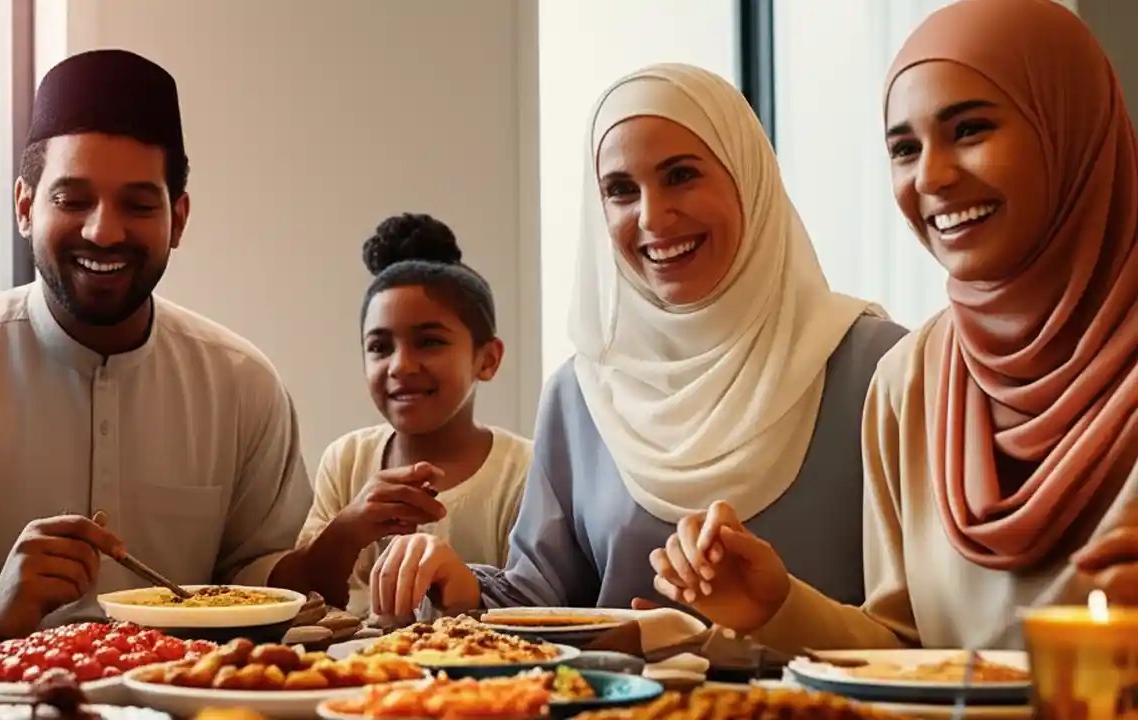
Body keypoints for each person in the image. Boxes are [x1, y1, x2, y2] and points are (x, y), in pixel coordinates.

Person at [651, 0, 1138, 651]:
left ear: (1069, 128)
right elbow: (908, 654)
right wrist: (775, 606)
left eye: (970, 130)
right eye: (904, 149)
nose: (931, 177)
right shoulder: (911, 378)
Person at [367, 63, 907, 619]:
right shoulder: (581, 394)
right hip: (617, 681)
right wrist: (458, 583)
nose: (653, 216)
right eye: (621, 191)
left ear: (748, 179)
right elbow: (540, 599)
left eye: (681, 175)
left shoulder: (879, 367)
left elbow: (925, 619)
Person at [0, 49, 364, 653]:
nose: (103, 230)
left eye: (139, 205)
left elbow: (262, 584)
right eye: (73, 200)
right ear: (24, 207)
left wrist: (341, 542)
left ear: (179, 219)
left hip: (193, 694)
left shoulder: (241, 385)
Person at [297, 213, 532, 618]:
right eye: (380, 347)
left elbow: (538, 607)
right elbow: (301, 600)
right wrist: (349, 527)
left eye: (429, 342)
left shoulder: (525, 472)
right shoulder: (347, 459)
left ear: (488, 359)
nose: (401, 366)